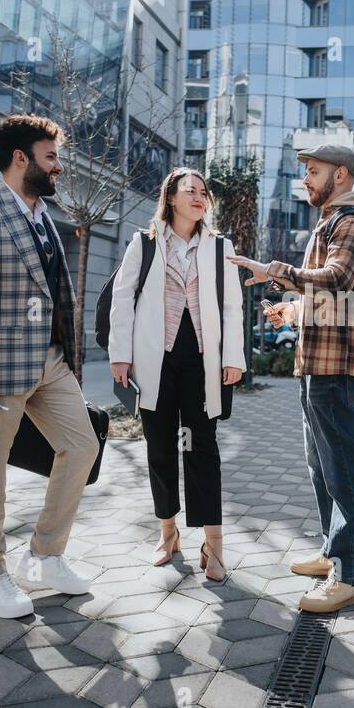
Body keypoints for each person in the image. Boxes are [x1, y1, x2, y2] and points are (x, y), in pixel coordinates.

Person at [0, 114, 97, 619]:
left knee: (82, 446)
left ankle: (45, 555)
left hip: (51, 364)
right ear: (20, 159)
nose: (58, 168)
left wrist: (69, 361)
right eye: (51, 157)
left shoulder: (42, 217)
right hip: (0, 372)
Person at [227, 144, 354, 613]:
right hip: (318, 362)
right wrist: (293, 310)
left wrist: (273, 271)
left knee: (346, 469)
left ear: (341, 175)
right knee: (323, 467)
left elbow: (337, 278)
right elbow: (338, 300)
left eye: (314, 172)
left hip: (338, 367)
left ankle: (351, 575)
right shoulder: (332, 220)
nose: (306, 181)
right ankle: (333, 550)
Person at [108, 168, 246, 582]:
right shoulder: (145, 242)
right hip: (155, 359)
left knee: (203, 447)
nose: (200, 197)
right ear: (171, 198)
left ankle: (215, 543)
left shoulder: (220, 246)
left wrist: (234, 356)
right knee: (160, 447)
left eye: (204, 192)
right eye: (191, 191)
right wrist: (120, 355)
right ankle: (167, 532)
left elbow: (233, 306)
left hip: (203, 360)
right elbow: (122, 299)